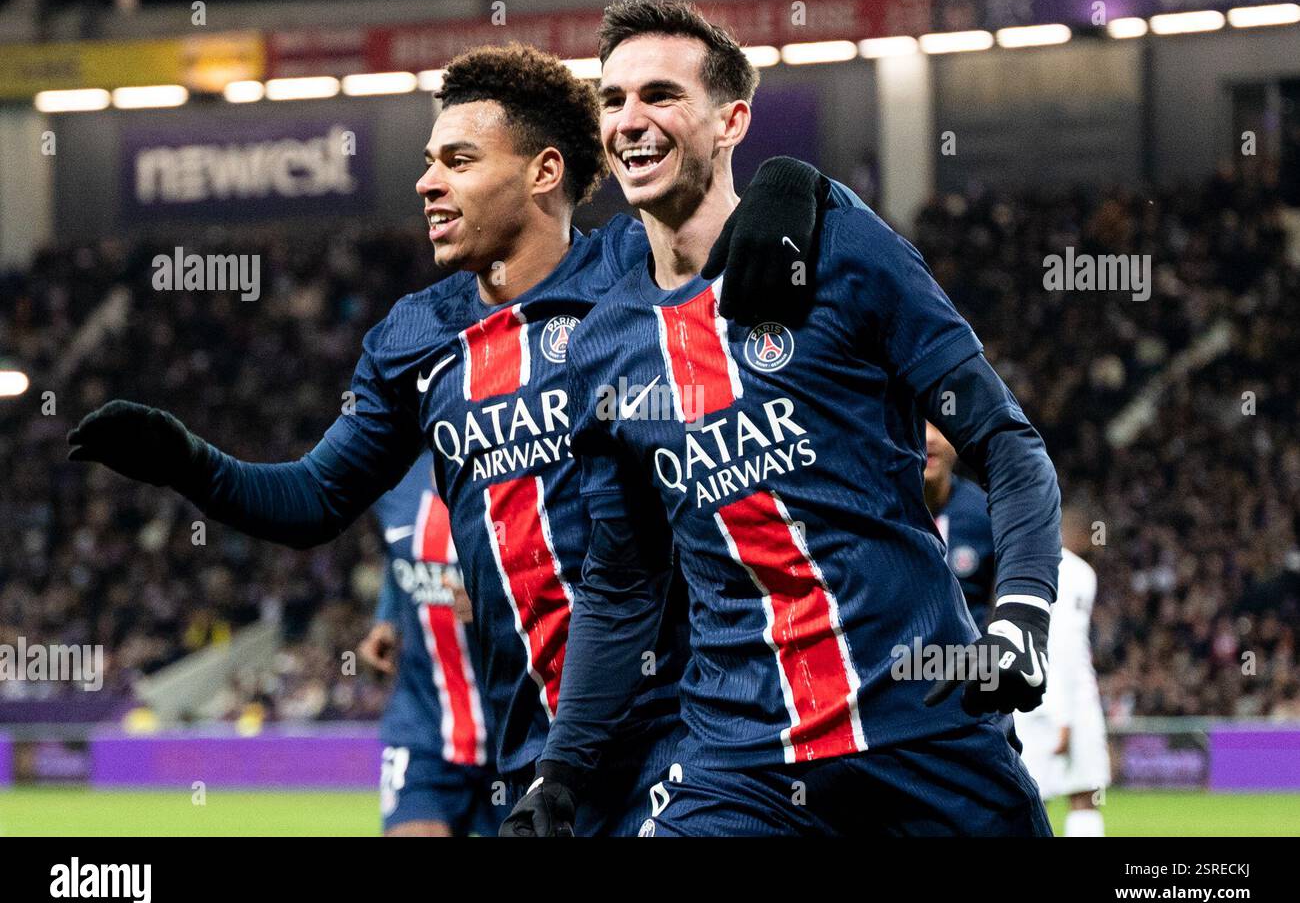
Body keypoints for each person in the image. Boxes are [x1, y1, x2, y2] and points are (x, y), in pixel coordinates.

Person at [67, 42, 831, 835]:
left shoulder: (638, 268)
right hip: (532, 757)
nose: (428, 182)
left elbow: (752, 223)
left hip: (689, 731)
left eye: (459, 161)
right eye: (431, 162)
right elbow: (316, 499)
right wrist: (187, 462)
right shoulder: (414, 339)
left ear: (543, 173)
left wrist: (792, 184)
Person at [506, 0, 1060, 837]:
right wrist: (561, 771)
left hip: (927, 733)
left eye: (660, 95)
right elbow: (621, 586)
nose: (629, 121)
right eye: (612, 100)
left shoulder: (841, 249)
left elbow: (1008, 447)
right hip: (741, 763)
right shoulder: (600, 350)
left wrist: (1020, 613)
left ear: (733, 120)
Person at [359, 450, 503, 836]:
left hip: (517, 736)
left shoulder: (526, 465)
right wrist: (386, 621)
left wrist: (499, 600)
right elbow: (398, 555)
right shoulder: (395, 481)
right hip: (422, 727)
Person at [1015, 506, 1111, 836]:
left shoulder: (1025, 568)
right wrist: (1065, 717)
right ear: (1080, 534)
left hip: (1027, 694)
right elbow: (1063, 646)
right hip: (1066, 702)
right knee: (1084, 795)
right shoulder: (1076, 572)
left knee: (1030, 797)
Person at [924, 421, 995, 630]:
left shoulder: (986, 515)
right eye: (917, 425)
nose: (929, 438)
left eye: (938, 426)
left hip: (968, 660)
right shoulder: (876, 512)